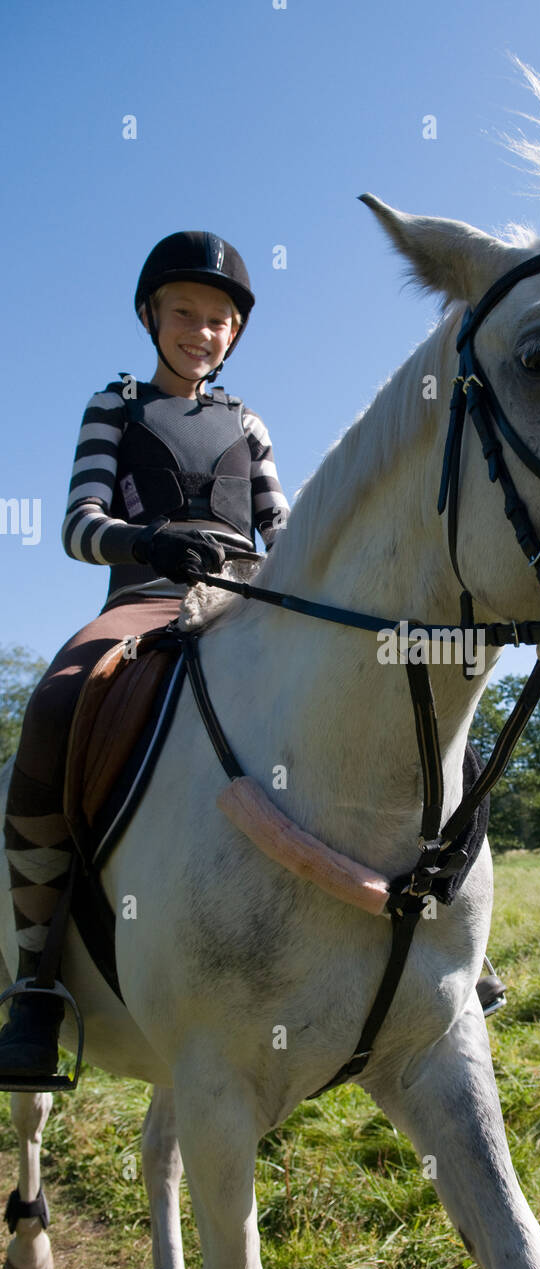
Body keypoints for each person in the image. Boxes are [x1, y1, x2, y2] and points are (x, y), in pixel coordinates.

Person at [0, 231, 290, 1082]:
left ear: (234, 334)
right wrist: (148, 542)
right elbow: (78, 524)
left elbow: (286, 534)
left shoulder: (249, 423)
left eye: (219, 321)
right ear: (150, 317)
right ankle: (35, 982)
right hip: (142, 601)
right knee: (54, 703)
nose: (203, 332)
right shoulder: (115, 407)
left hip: (247, 608)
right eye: (185, 315)